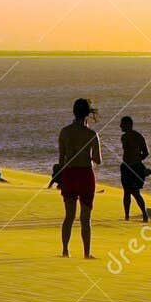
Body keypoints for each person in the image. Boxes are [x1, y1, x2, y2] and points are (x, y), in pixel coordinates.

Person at [55, 98, 101, 258]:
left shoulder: (64, 132)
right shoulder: (92, 134)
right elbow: (98, 159)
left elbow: (61, 158)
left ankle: (65, 251)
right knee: (85, 219)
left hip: (69, 174)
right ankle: (86, 253)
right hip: (85, 175)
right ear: (88, 113)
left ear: (74, 112)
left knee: (69, 217)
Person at [118, 116, 150, 222]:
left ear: (128, 125)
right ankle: (126, 216)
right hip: (126, 168)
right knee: (126, 192)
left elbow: (145, 152)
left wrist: (137, 160)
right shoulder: (124, 137)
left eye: (122, 124)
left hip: (135, 167)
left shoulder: (137, 136)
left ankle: (145, 215)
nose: (120, 126)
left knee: (135, 192)